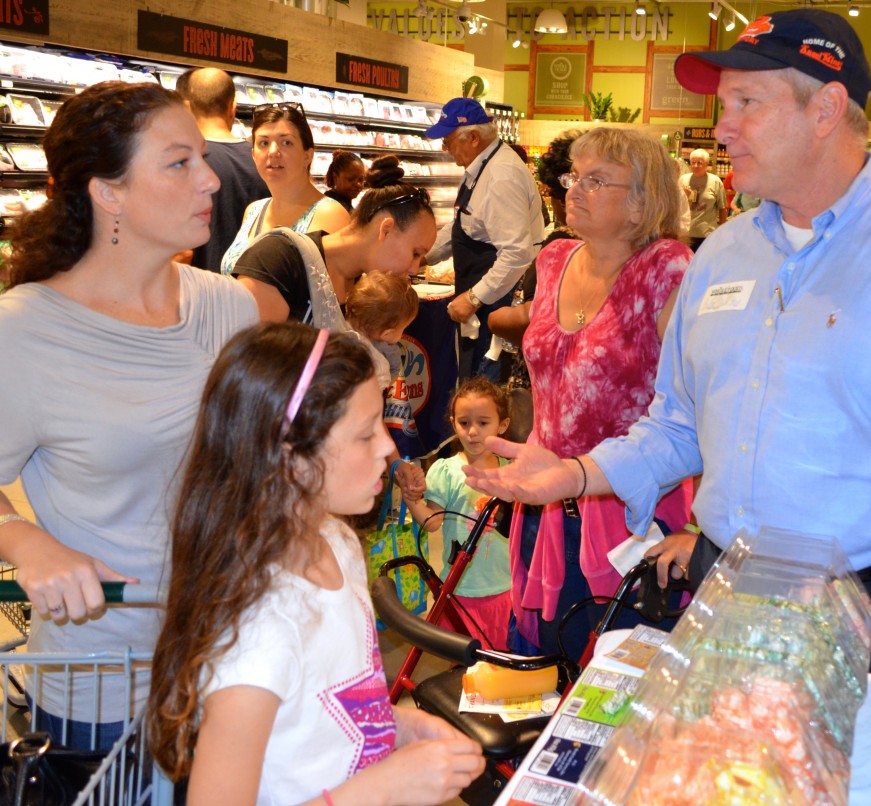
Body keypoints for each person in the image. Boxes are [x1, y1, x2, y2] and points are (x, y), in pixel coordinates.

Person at [464, 9, 871, 682]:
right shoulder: (722, 255)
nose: (723, 126)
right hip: (718, 593)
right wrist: (577, 474)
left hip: (866, 616)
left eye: (746, 103)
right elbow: (677, 424)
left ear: (826, 108)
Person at [0, 81, 257, 748]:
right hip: (106, 691)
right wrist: (28, 542)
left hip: (234, 668)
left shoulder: (228, 307)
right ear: (107, 191)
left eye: (203, 157)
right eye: (179, 162)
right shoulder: (26, 332)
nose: (209, 180)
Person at [147, 324, 484, 804]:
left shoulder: (337, 542)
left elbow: (323, 710)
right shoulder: (257, 628)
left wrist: (396, 726)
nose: (388, 448)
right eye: (366, 434)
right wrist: (381, 790)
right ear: (292, 457)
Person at [496, 127, 693, 660]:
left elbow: (697, 398)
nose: (574, 190)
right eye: (573, 177)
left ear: (640, 203)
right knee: (541, 659)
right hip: (546, 494)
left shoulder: (665, 267)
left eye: (596, 180)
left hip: (630, 507)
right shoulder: (553, 259)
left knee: (616, 671)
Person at [232, 155, 433, 495]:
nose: (415, 269)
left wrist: (393, 463)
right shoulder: (281, 259)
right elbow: (241, 384)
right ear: (385, 229)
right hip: (268, 483)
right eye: (415, 252)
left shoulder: (366, 293)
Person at [422, 98, 545, 381]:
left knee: (484, 385)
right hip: (483, 297)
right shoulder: (481, 169)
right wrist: (421, 254)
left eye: (449, 141)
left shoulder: (501, 177)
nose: (445, 149)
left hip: (494, 303)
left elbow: (516, 254)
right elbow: (463, 226)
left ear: (474, 138)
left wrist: (475, 298)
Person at [404, 378, 513, 651]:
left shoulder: (511, 469)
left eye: (483, 423)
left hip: (506, 585)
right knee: (465, 660)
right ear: (453, 422)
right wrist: (412, 500)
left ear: (503, 425)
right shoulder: (446, 471)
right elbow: (432, 523)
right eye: (464, 423)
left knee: (504, 656)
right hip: (463, 587)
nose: (472, 432)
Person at [220, 102, 349, 275]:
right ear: (253, 154)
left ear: (307, 155)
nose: (273, 151)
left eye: (286, 142)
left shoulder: (329, 214)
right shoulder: (254, 211)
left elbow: (330, 295)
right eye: (264, 143)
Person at [179, 67, 269, 271]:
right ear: (232, 107)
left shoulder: (179, 162)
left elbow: (180, 252)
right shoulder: (263, 161)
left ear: (187, 108)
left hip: (195, 289)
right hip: (251, 288)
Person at [345, 271, 420, 387]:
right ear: (387, 334)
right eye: (403, 329)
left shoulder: (338, 331)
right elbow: (389, 378)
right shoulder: (380, 362)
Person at [680, 148, 727, 251]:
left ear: (706, 164)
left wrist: (722, 231)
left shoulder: (715, 181)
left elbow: (722, 208)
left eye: (700, 163)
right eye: (693, 162)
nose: (696, 165)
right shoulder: (683, 179)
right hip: (686, 234)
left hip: (706, 234)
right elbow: (675, 207)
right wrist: (684, 196)